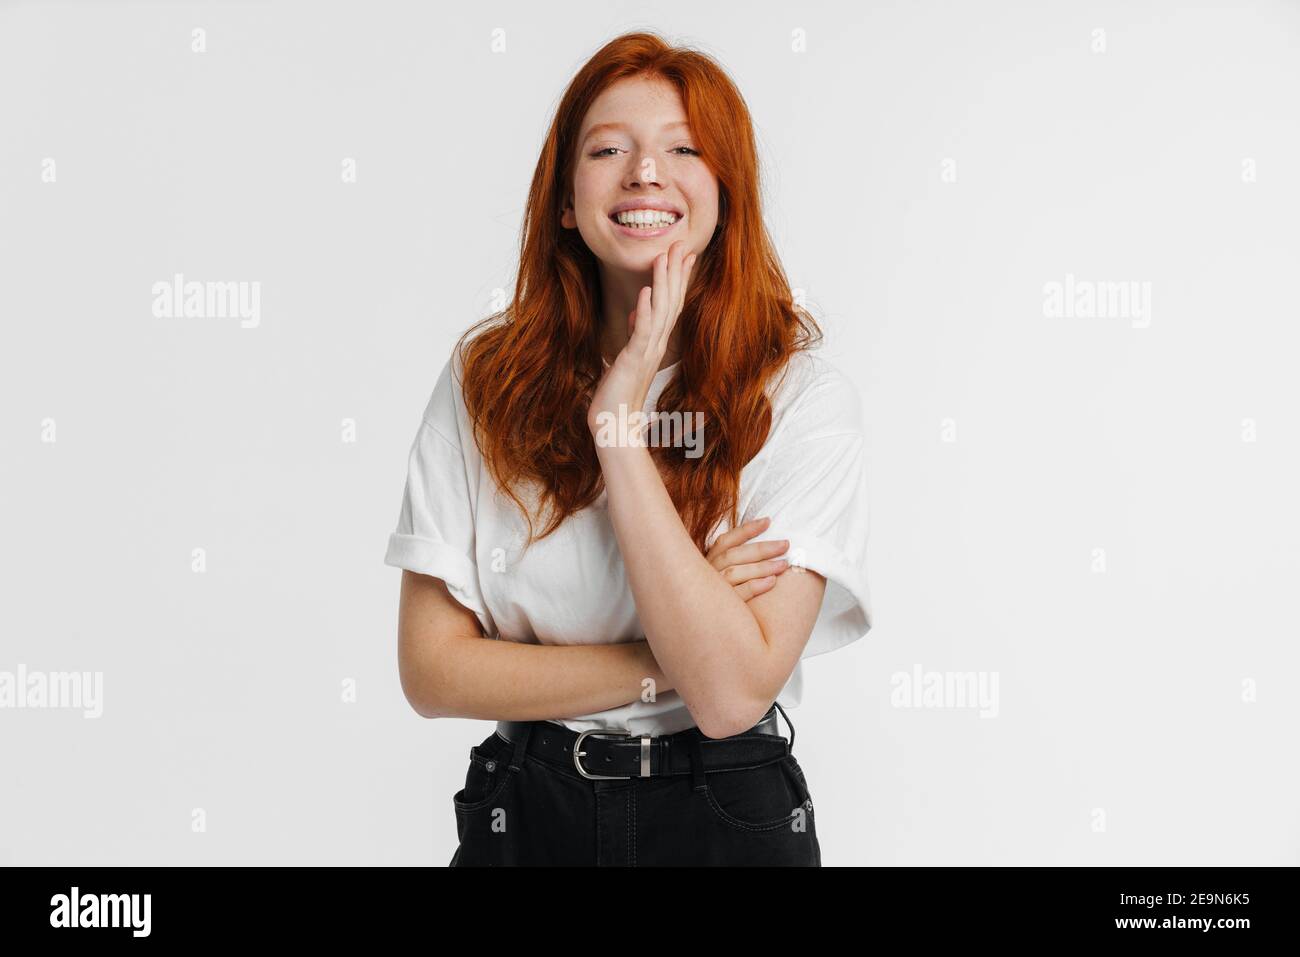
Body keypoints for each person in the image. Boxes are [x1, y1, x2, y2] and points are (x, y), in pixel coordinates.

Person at [383, 31, 871, 866]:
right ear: (566, 200)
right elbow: (432, 672)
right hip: (527, 805)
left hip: (723, 806)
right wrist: (665, 654)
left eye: (684, 148)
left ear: (725, 191)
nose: (646, 171)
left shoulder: (801, 398)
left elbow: (726, 700)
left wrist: (617, 428)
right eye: (608, 148)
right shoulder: (484, 379)